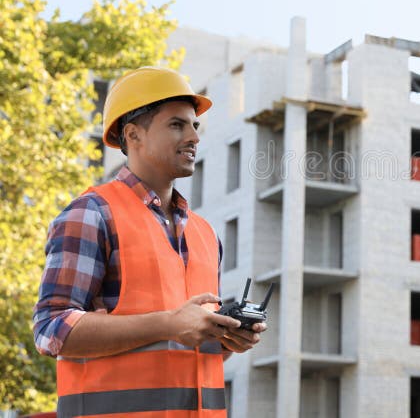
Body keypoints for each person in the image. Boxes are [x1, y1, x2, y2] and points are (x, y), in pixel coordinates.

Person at [33, 66, 265, 417]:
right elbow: (51, 329)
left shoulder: (204, 234)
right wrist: (168, 323)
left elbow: (182, 349)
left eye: (194, 125)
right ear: (133, 135)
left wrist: (226, 339)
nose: (194, 137)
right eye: (177, 125)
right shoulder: (92, 214)